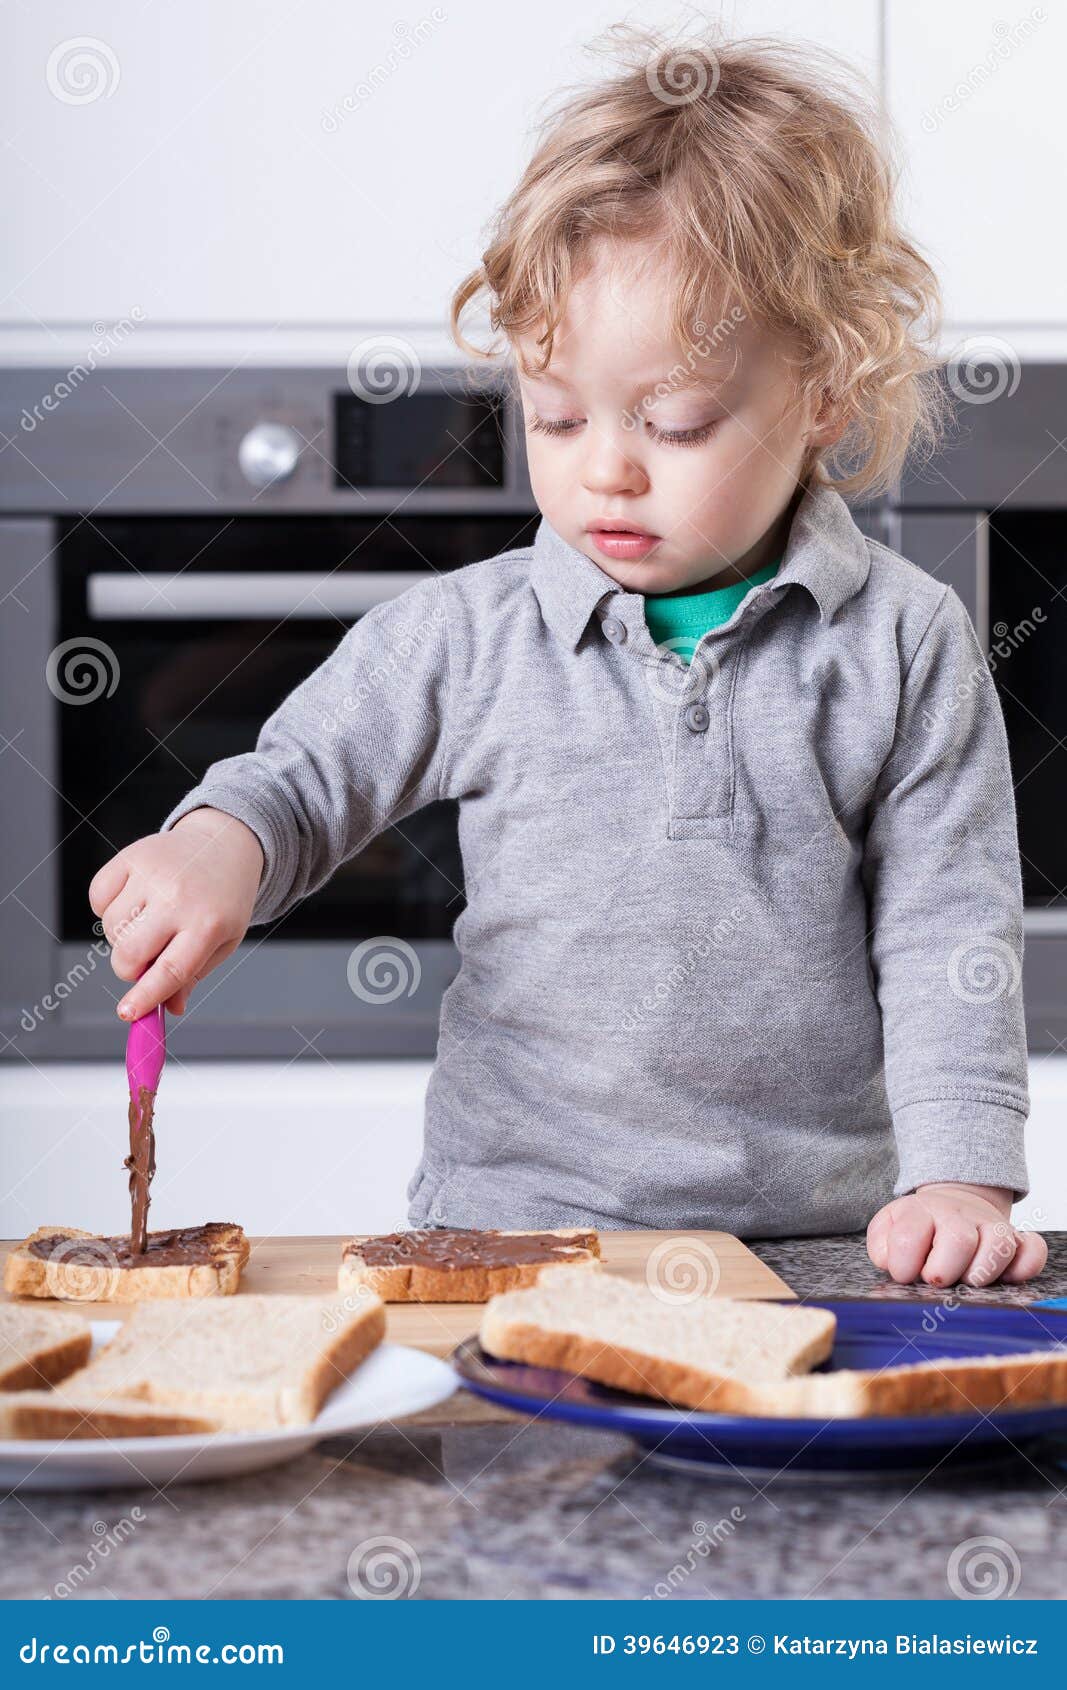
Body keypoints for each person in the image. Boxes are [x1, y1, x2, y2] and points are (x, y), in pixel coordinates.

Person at [89, 30, 1047, 1288]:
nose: (604, 468)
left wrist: (958, 1178)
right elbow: (304, 782)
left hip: (811, 1243)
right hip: (511, 1234)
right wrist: (219, 846)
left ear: (820, 393)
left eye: (674, 423)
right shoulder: (466, 636)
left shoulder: (903, 642)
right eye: (553, 415)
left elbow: (947, 928)